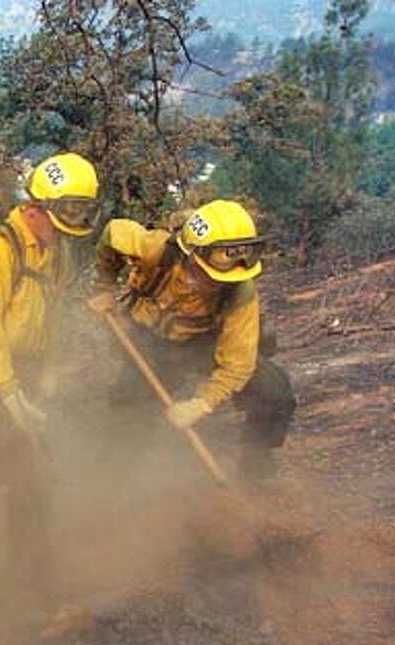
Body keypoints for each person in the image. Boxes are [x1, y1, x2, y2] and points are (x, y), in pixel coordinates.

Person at [0, 152, 101, 595]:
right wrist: (8, 394)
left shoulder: (57, 250)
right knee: (24, 473)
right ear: (35, 207)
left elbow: (53, 316)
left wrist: (47, 375)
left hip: (22, 370)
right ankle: (34, 590)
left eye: (83, 211)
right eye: (67, 212)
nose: (74, 222)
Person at [89, 199, 296, 479]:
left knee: (274, 390)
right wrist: (104, 285)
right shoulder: (156, 249)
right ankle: (112, 482)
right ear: (189, 255)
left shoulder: (240, 291)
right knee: (130, 414)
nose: (220, 282)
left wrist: (202, 403)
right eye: (209, 274)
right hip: (150, 340)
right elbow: (113, 233)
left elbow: (238, 364)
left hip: (204, 341)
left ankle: (254, 469)